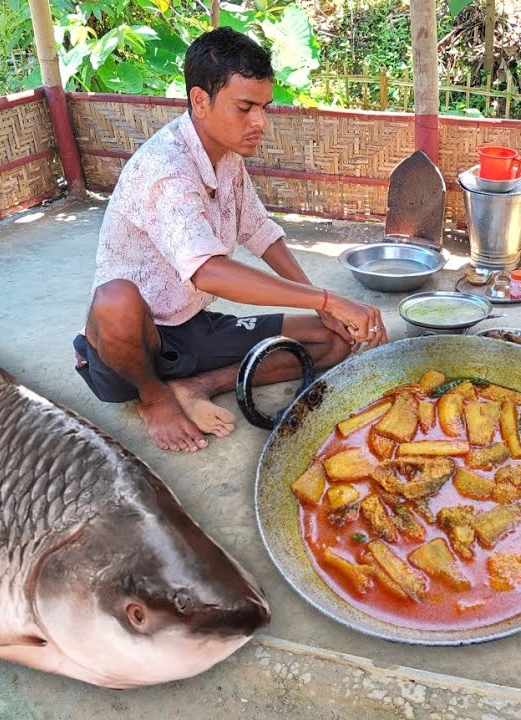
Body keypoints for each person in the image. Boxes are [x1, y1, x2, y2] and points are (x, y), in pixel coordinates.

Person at [73, 28, 387, 452]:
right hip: (131, 346)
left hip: (190, 325)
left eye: (263, 107)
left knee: (334, 340)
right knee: (115, 300)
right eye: (245, 107)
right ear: (201, 101)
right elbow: (208, 272)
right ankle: (154, 396)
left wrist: (320, 304)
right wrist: (331, 299)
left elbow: (259, 232)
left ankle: (197, 385)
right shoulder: (166, 168)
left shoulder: (228, 158)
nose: (260, 122)